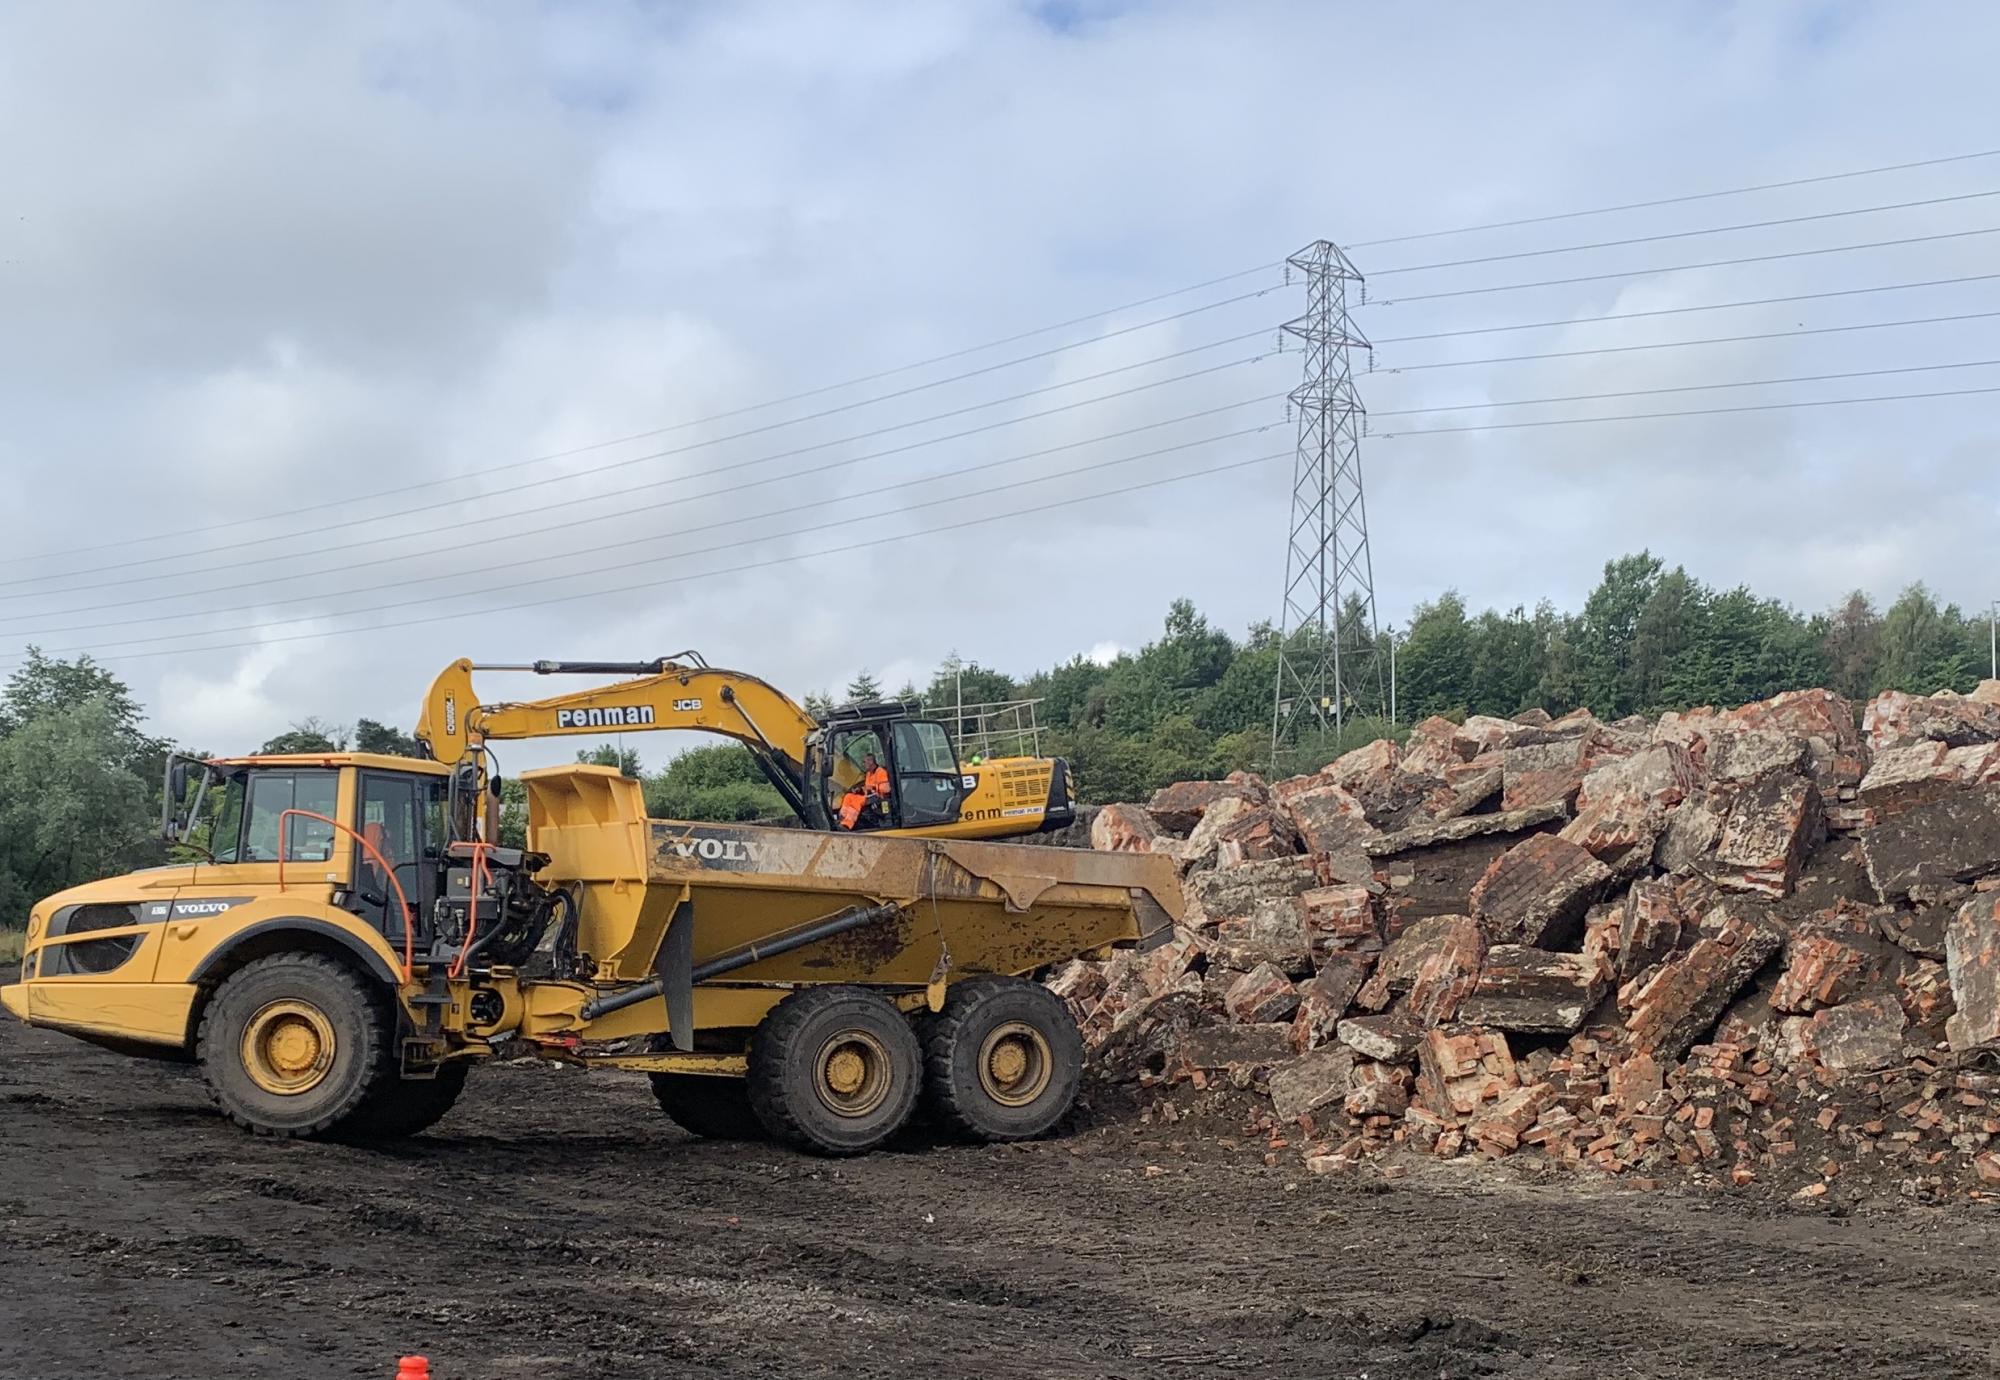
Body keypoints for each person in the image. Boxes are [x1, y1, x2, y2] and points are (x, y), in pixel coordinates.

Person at [838, 751, 893, 830]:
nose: (863, 764)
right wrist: (860, 789)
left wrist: (872, 788)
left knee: (856, 802)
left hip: (878, 798)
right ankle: (842, 818)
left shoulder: (881, 772)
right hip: (868, 796)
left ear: (871, 762)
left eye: (865, 762)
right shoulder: (868, 773)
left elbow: (886, 789)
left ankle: (847, 824)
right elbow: (867, 787)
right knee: (848, 796)